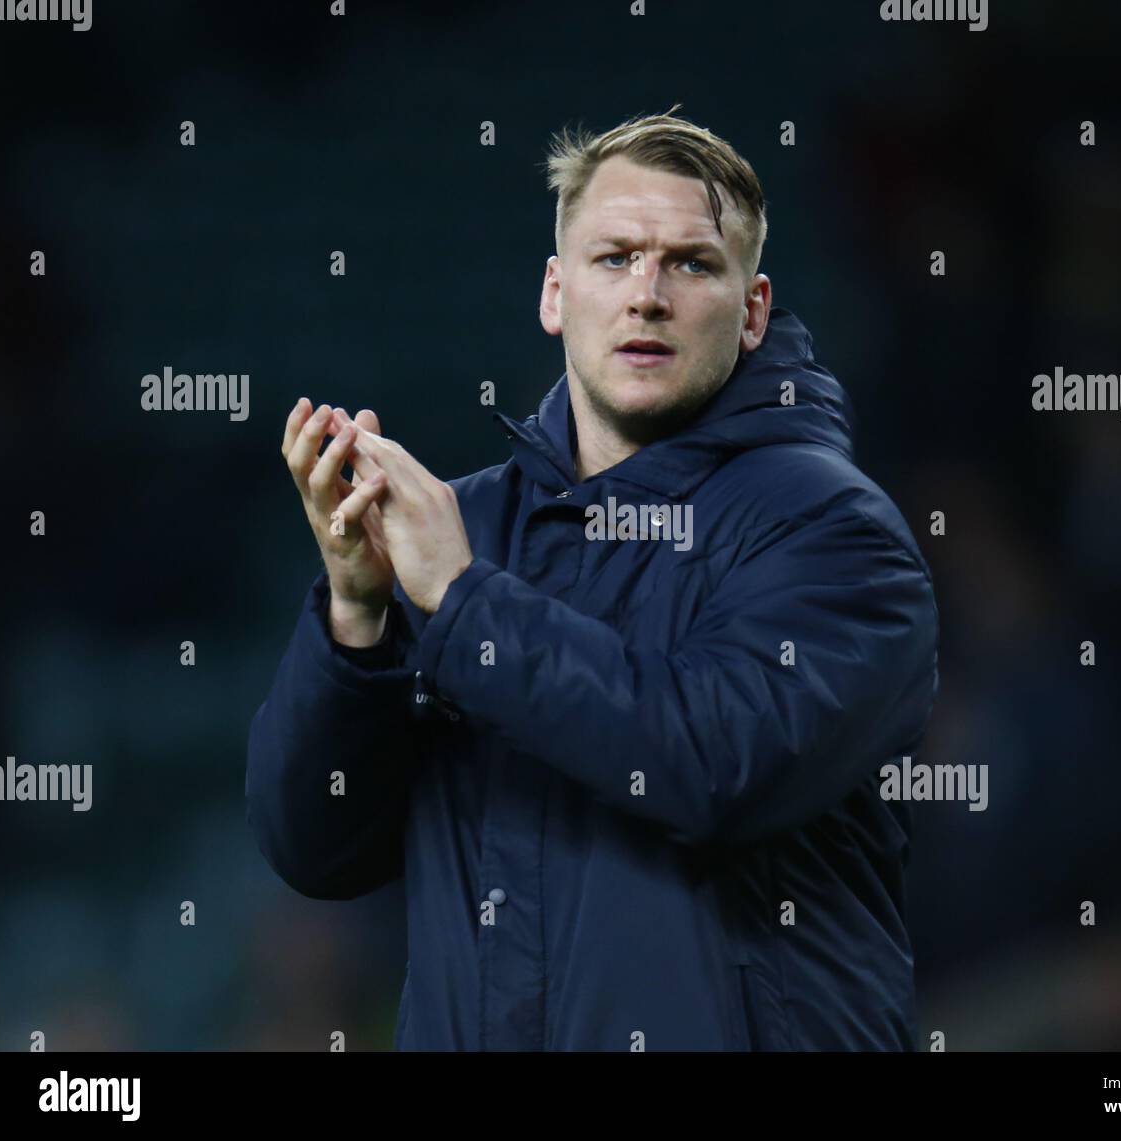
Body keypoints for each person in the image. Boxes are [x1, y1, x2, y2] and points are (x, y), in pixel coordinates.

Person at [245, 107, 940, 1051]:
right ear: (555, 293)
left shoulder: (834, 533)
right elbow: (315, 847)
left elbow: (709, 764)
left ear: (753, 309)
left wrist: (466, 602)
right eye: (614, 258)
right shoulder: (463, 529)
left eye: (690, 262)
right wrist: (355, 618)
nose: (646, 293)